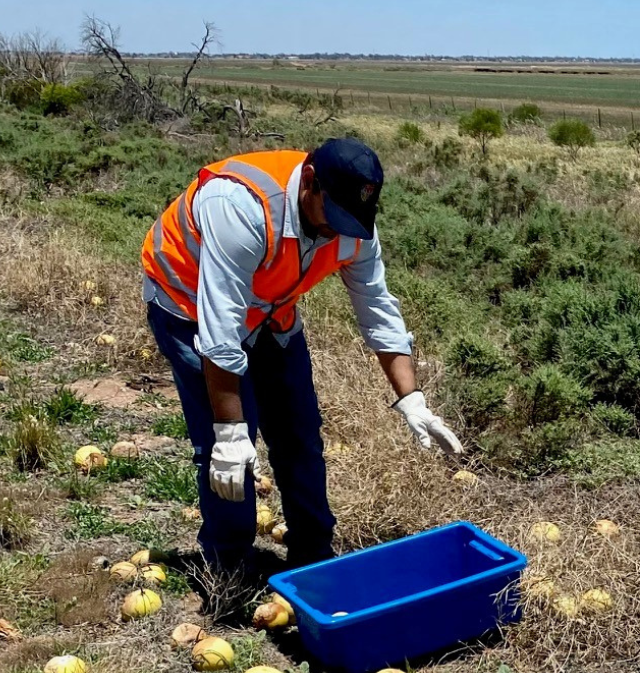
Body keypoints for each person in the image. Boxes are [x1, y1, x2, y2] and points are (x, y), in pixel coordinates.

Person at [141, 138, 461, 590]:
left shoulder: (352, 225)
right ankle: (229, 569)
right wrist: (231, 433)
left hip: (271, 309)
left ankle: (313, 556)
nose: (338, 231)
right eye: (333, 217)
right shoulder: (242, 208)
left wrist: (413, 400)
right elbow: (220, 333)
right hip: (187, 302)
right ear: (310, 182)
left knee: (300, 433)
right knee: (226, 450)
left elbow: (378, 309)